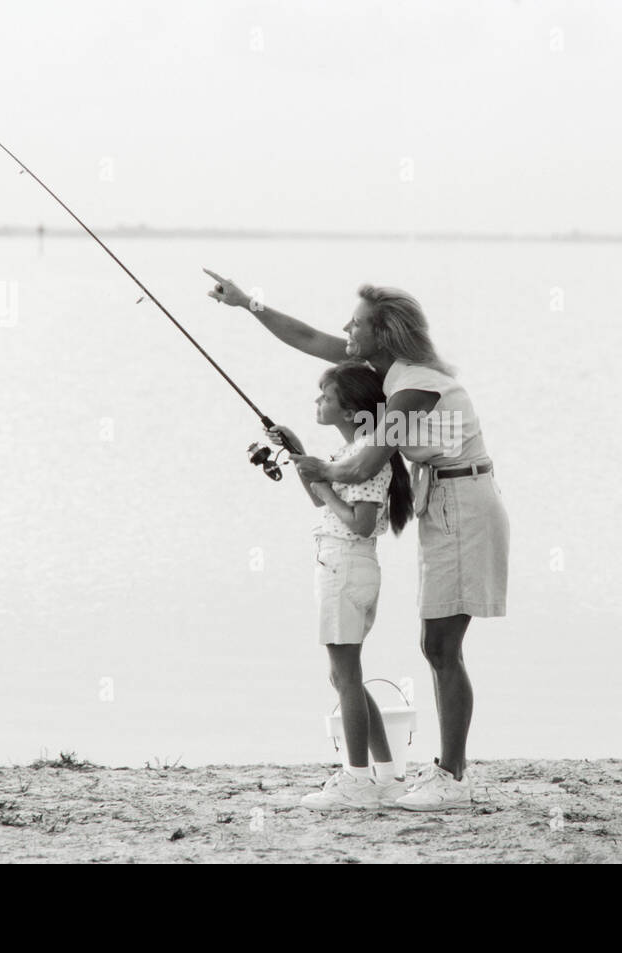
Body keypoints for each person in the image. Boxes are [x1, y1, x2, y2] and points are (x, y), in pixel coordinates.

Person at [206, 269, 509, 810]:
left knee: (442, 647)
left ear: (384, 335)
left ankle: (453, 778)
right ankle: (442, 773)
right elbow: (308, 339)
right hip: (442, 500)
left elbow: (368, 459)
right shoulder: (385, 373)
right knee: (435, 645)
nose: (346, 328)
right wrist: (248, 302)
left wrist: (318, 466)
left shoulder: (415, 387)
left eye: (358, 323)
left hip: (464, 504)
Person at [270, 362, 414, 810]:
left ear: (351, 410)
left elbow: (361, 523)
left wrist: (326, 482)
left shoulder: (367, 457)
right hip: (342, 567)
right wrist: (299, 454)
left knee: (345, 676)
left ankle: (356, 780)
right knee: (344, 674)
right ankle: (387, 775)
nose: (318, 402)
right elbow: (319, 494)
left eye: (326, 397)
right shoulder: (354, 449)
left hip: (346, 566)